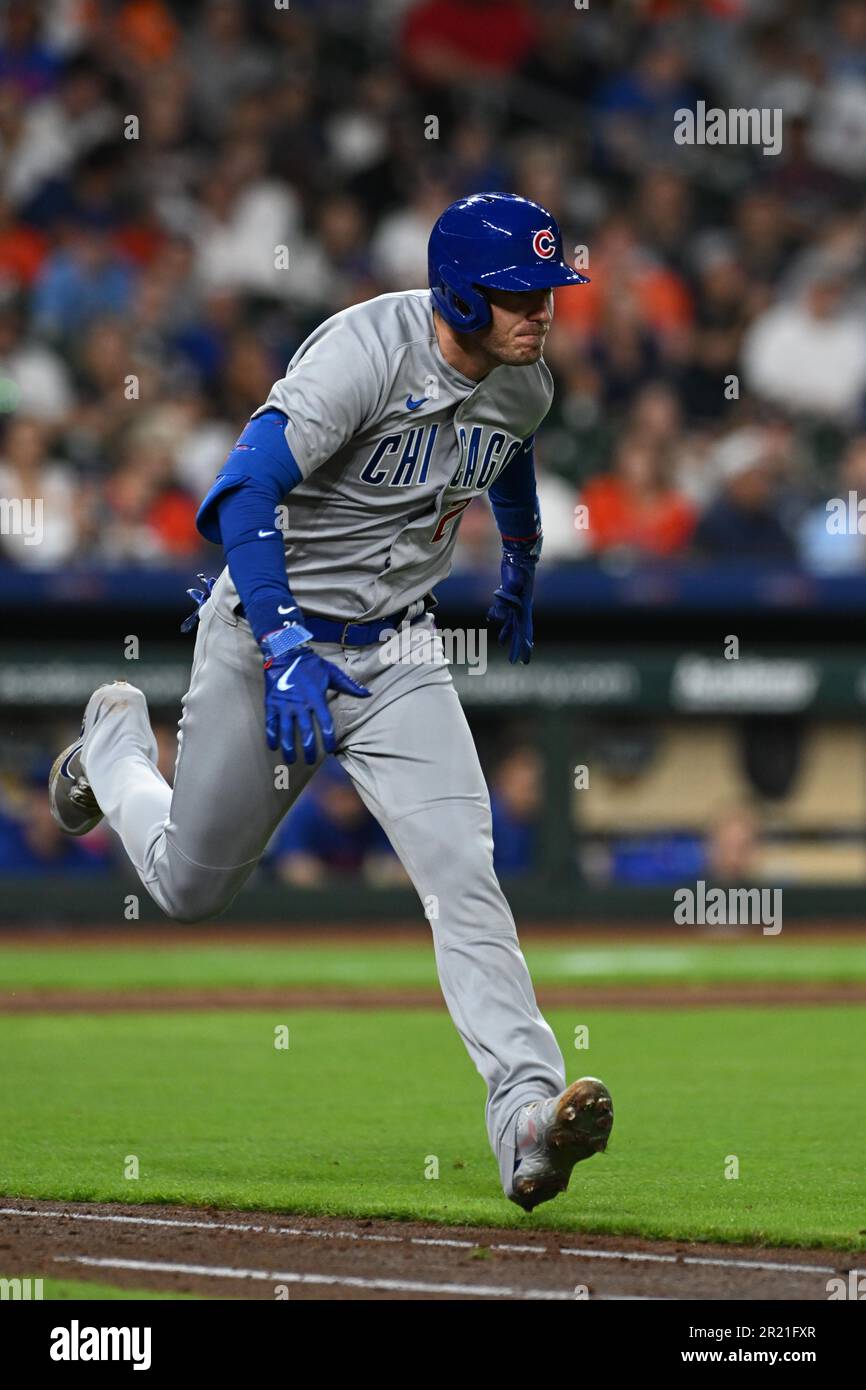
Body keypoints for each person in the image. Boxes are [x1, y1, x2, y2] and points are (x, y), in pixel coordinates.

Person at [47, 192, 613, 1212]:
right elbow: (237, 494)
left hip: (399, 651)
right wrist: (284, 643)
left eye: (546, 289)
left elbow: (508, 452)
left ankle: (525, 1118)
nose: (540, 310)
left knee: (463, 876)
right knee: (188, 885)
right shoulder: (363, 351)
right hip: (270, 640)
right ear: (456, 291)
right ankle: (112, 750)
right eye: (517, 293)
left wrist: (520, 560)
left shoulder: (523, 379)